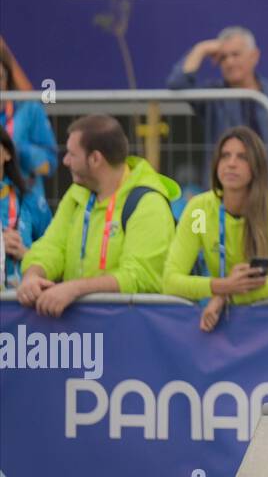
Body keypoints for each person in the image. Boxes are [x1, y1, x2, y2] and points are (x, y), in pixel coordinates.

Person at [16, 115, 179, 317]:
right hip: (81, 335)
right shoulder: (78, 193)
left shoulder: (148, 202)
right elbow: (52, 246)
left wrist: (73, 289)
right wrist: (33, 276)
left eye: (71, 154)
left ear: (95, 159)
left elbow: (139, 276)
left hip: (130, 334)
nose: (65, 161)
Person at [164, 127, 268, 330]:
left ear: (256, 165)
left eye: (242, 157)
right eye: (225, 156)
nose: (231, 163)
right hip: (229, 324)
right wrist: (222, 286)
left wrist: (226, 296)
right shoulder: (199, 210)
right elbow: (171, 280)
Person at [167, 27, 268, 158]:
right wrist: (201, 49)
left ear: (254, 56)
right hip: (226, 175)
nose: (229, 62)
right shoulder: (213, 98)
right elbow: (177, 83)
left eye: (235, 55)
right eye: (223, 58)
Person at [0, 42, 58, 199]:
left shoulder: (29, 110)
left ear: (8, 76)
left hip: (23, 205)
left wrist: (15, 150)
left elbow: (50, 164)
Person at [1, 129, 52, 287]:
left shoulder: (30, 200)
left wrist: (27, 255)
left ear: (7, 154)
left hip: (22, 306)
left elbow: (55, 255)